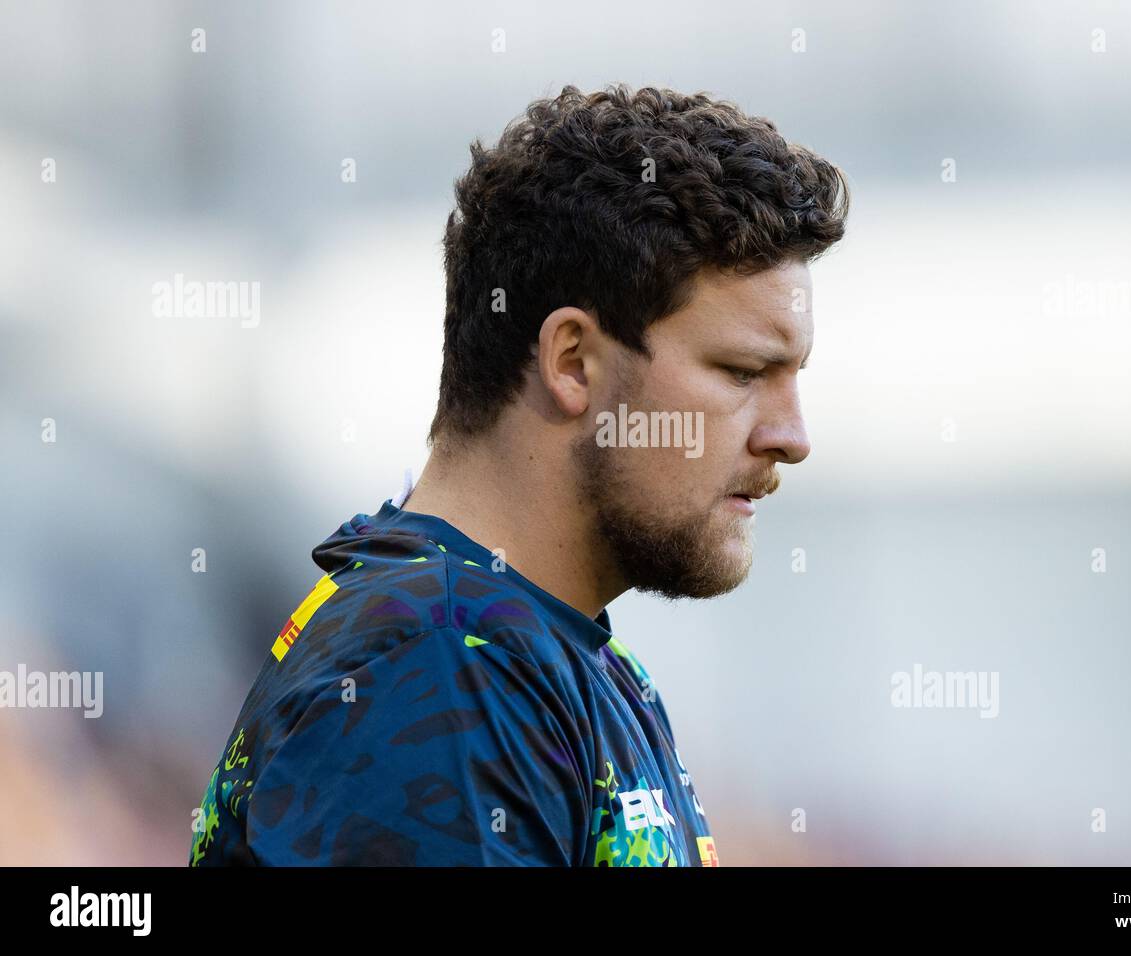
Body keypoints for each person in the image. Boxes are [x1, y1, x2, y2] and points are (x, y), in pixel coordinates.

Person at [189, 83, 848, 866]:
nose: (792, 437)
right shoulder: (439, 666)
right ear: (574, 363)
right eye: (743, 371)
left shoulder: (542, 656)